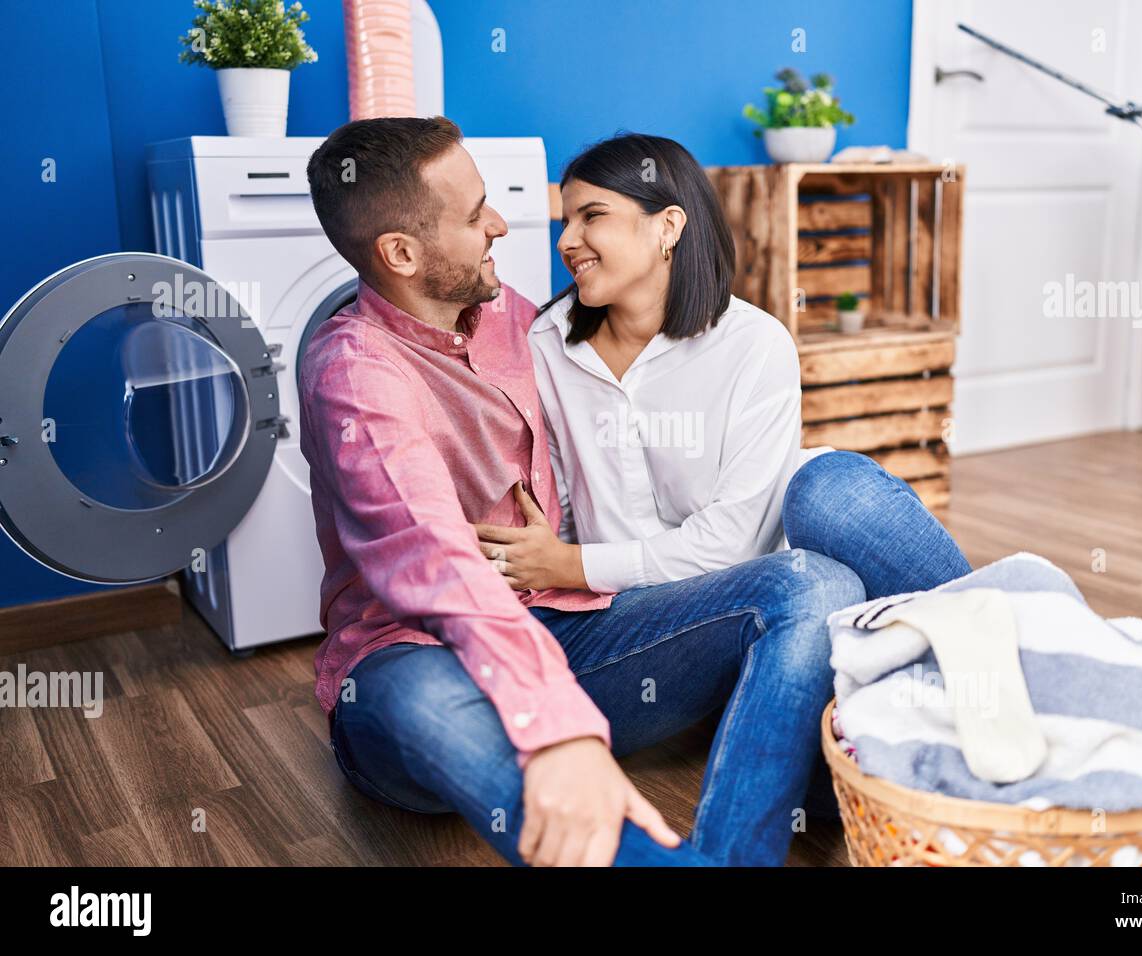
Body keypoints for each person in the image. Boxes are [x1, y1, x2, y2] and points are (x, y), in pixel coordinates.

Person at [299, 116, 865, 868]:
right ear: (401, 254)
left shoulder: (518, 322)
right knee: (424, 700)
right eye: (475, 217)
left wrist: (570, 566)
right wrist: (559, 727)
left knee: (815, 584)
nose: (502, 224)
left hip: (566, 629)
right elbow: (434, 562)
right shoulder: (356, 376)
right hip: (411, 656)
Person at [495, 132, 973, 611]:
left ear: (668, 227)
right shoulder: (547, 345)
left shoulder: (754, 344)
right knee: (820, 582)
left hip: (744, 585)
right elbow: (556, 506)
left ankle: (999, 630)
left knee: (832, 486)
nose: (565, 241)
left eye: (592, 215)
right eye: (566, 219)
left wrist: (573, 564)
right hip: (632, 610)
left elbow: (732, 547)